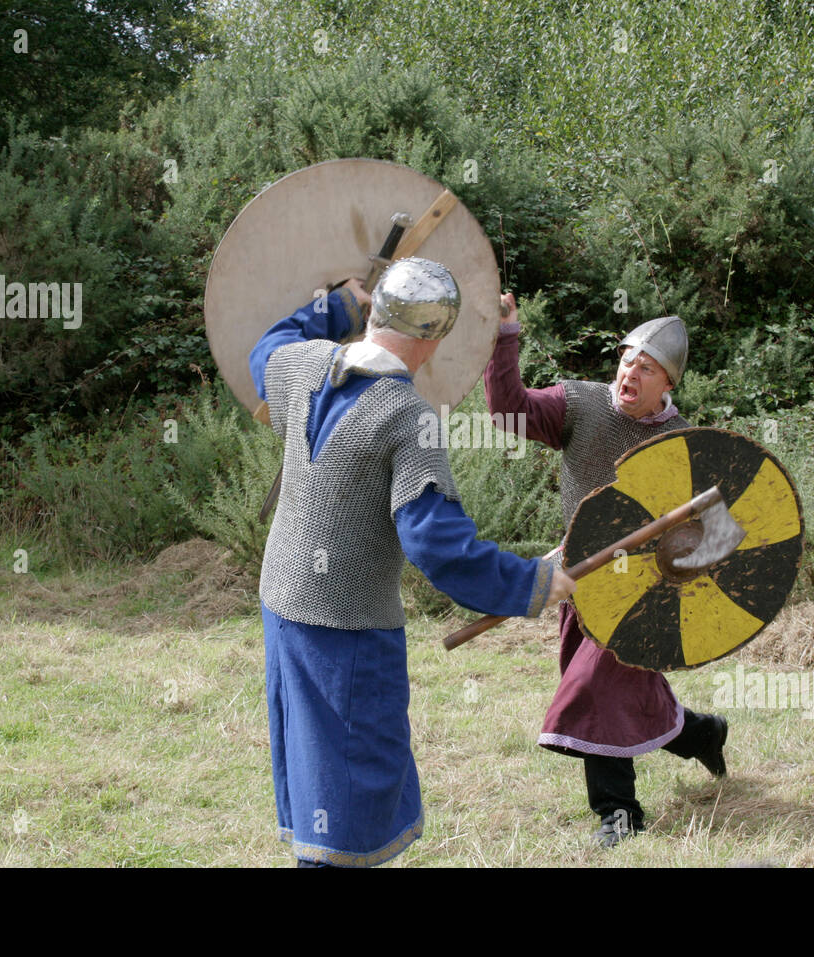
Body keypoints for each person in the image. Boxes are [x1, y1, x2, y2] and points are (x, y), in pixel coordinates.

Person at [249, 258, 575, 867]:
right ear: (434, 338)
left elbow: (267, 347)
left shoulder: (302, 365)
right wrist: (533, 581)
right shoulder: (408, 417)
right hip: (347, 632)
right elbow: (437, 546)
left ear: (376, 311)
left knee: (314, 766)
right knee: (351, 785)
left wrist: (333, 305)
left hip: (283, 604)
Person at [483, 294, 728, 847]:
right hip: (582, 585)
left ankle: (619, 813)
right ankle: (701, 734)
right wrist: (504, 336)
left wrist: (674, 560)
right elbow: (507, 410)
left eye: (645, 368)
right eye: (626, 361)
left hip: (644, 596)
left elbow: (715, 539)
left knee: (595, 690)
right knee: (620, 697)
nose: (629, 374)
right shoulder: (581, 406)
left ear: (668, 384)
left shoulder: (685, 444)